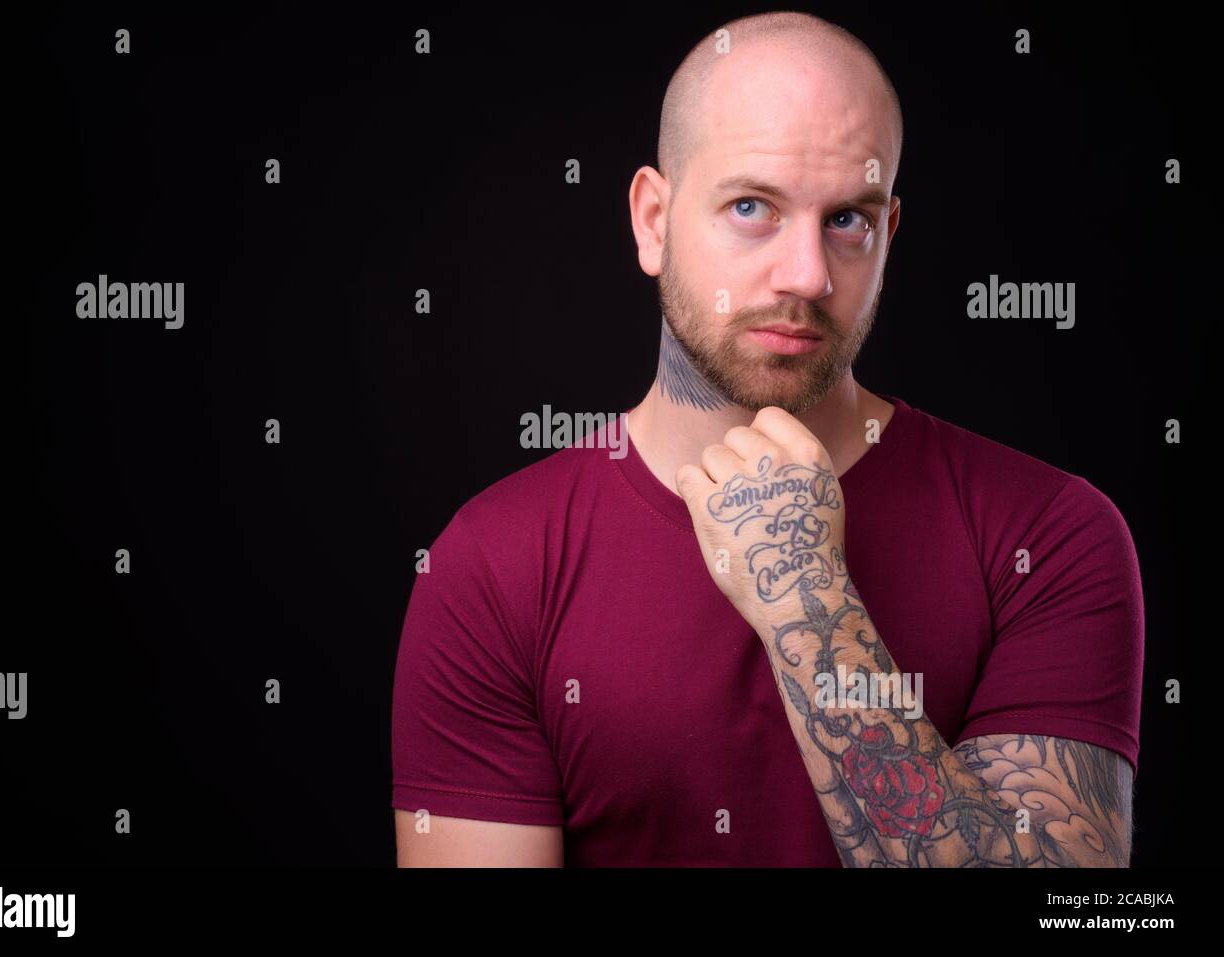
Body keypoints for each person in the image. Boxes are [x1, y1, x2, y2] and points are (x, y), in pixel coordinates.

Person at [391, 10, 1141, 867]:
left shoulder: (1049, 533)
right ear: (652, 219)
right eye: (752, 207)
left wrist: (806, 599)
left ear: (888, 235)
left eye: (848, 220)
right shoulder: (494, 562)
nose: (807, 275)